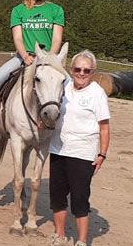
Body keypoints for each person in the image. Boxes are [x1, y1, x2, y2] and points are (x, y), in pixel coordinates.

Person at [0, 0, 64, 142]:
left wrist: (48, 60)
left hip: (48, 59)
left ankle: (65, 126)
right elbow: (18, 38)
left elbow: (57, 39)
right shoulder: (18, 10)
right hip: (24, 57)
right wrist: (25, 56)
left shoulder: (56, 10)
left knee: (67, 86)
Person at [48, 50, 110, 246]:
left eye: (87, 70)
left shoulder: (97, 93)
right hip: (58, 150)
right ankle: (59, 235)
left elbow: (104, 127)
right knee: (57, 196)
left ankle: (82, 241)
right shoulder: (63, 87)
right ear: (71, 70)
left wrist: (102, 154)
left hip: (83, 154)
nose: (81, 73)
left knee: (80, 198)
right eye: (77, 69)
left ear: (93, 72)